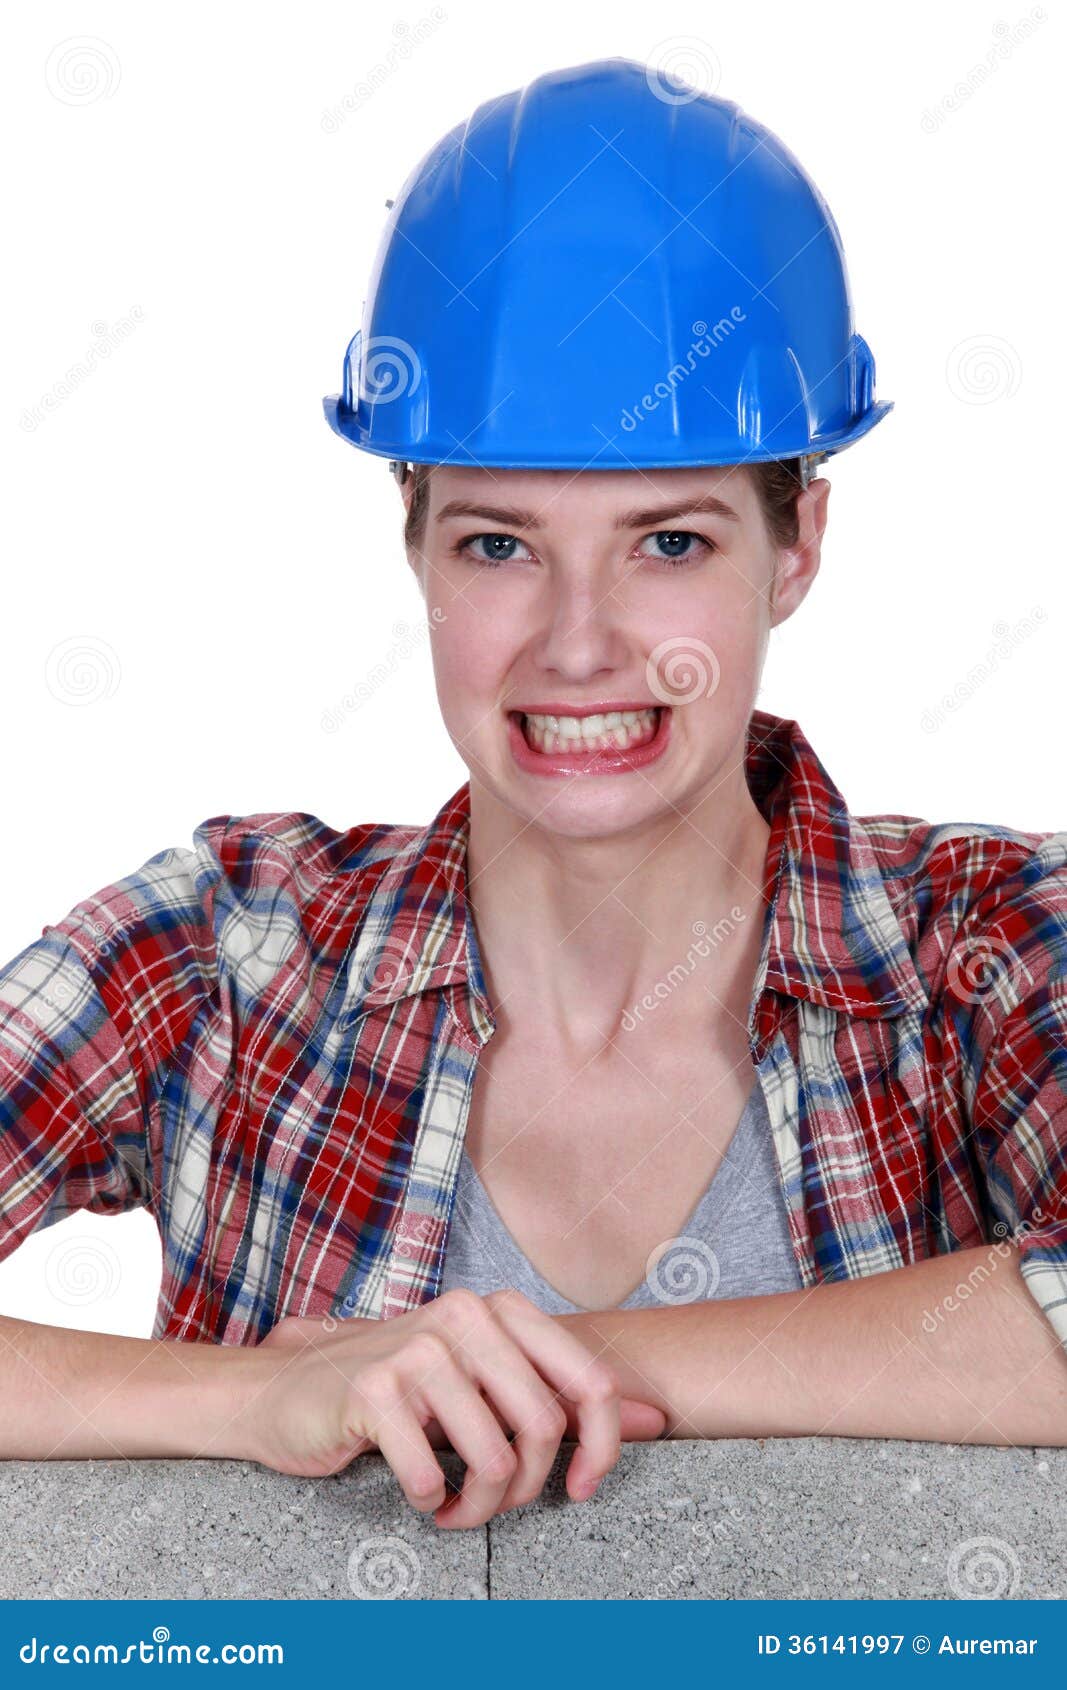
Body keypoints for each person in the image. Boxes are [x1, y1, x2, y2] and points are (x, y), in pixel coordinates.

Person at [3, 60, 1067, 1539]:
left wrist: (551, 1363)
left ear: (799, 542)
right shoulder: (225, 957)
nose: (577, 643)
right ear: (417, 544)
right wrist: (245, 1400)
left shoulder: (991, 950)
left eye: (668, 544)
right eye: (500, 546)